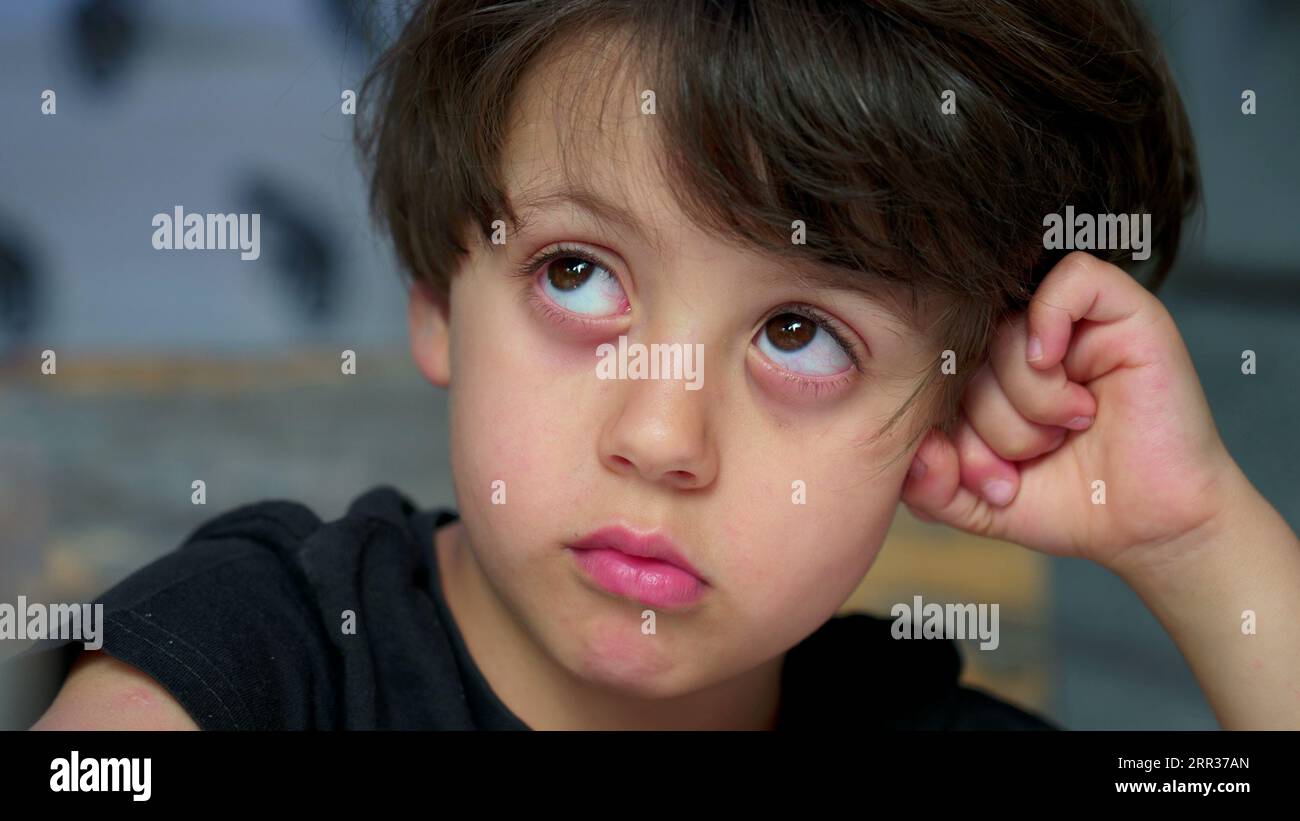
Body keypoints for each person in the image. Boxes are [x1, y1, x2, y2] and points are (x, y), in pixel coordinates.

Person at [9, 0, 1298, 730]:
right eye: (578, 274)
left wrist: (1195, 539)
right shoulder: (246, 662)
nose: (665, 437)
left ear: (953, 406)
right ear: (438, 289)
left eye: (802, 334)